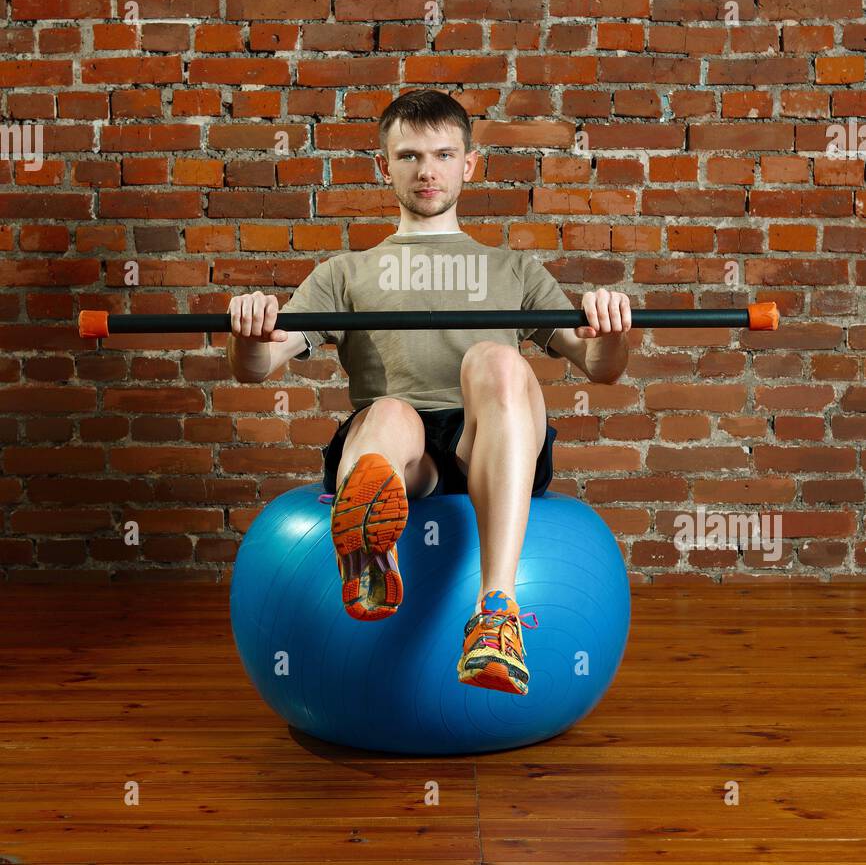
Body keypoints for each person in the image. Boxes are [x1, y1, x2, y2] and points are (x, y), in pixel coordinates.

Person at [228, 90, 631, 696]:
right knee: (388, 411)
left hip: (488, 445)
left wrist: (611, 327)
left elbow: (599, 367)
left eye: (444, 154)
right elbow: (259, 366)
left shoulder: (514, 271)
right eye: (410, 155)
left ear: (469, 163)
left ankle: (497, 613)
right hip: (401, 453)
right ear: (383, 165)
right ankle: (369, 550)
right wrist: (250, 328)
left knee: (495, 359)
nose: (427, 170)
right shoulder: (346, 273)